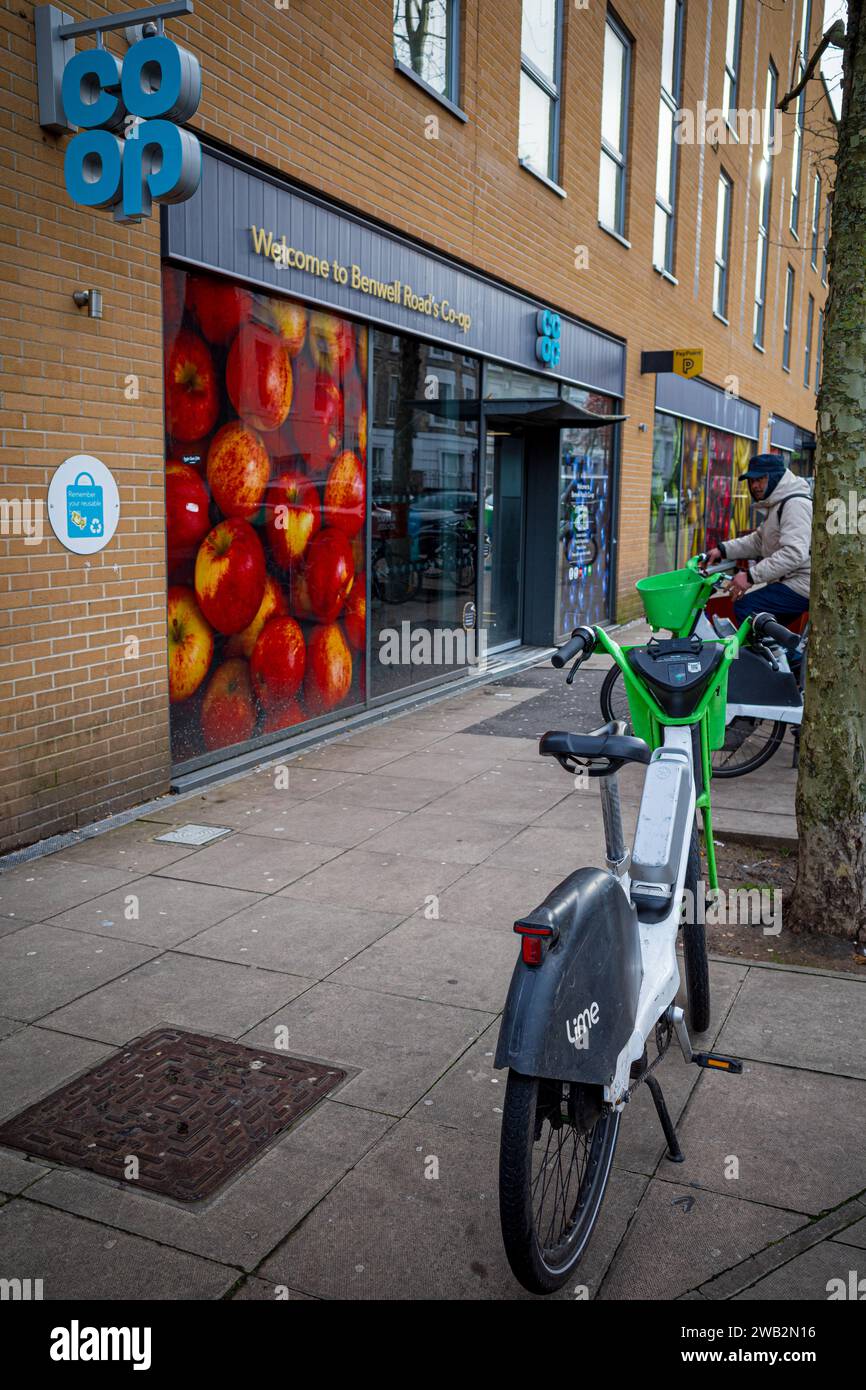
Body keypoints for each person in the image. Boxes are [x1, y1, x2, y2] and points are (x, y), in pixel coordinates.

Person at [705, 453, 811, 628]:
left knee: (748, 610)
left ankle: (770, 654)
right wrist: (722, 550)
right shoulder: (777, 504)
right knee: (769, 629)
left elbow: (794, 553)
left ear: (775, 477)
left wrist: (750, 576)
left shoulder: (794, 504)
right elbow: (757, 541)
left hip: (802, 584)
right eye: (752, 481)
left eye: (761, 479)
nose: (755, 485)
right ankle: (781, 653)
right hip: (789, 582)